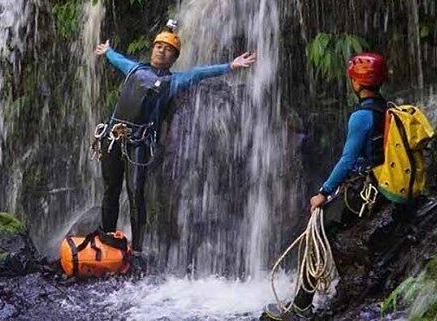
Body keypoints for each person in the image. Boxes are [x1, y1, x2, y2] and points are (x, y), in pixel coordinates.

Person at [94, 24, 256, 272]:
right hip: (114, 137)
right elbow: (119, 60)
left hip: (138, 141)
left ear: (174, 57)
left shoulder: (175, 80)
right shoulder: (134, 68)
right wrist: (107, 51)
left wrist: (230, 66)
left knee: (136, 193)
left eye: (168, 50)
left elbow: (200, 73)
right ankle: (107, 238)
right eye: (158, 46)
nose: (161, 51)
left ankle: (137, 250)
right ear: (152, 49)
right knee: (111, 189)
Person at [262, 51, 393, 320]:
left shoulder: (361, 116)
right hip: (383, 185)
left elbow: (347, 160)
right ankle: (304, 300)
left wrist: (323, 192)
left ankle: (301, 307)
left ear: (356, 81)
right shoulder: (387, 108)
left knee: (317, 228)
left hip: (366, 191)